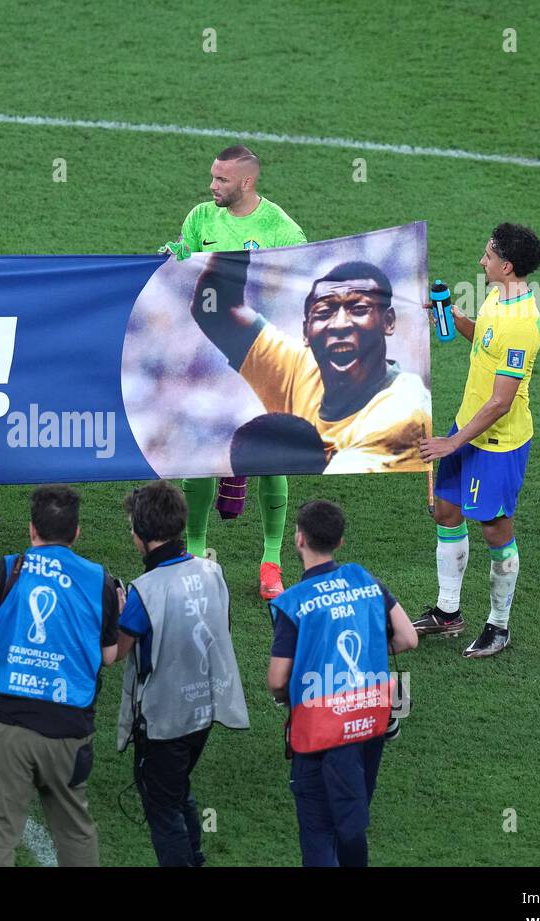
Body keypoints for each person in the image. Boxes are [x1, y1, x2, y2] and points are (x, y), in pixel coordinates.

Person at [159, 145, 307, 600]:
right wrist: (173, 256)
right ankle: (198, 551)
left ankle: (271, 562)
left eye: (221, 180)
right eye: (212, 177)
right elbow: (186, 268)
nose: (212, 186)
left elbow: (303, 287)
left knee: (270, 457)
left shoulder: (281, 230)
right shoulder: (201, 218)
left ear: (247, 182)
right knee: (202, 451)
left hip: (262, 355)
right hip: (206, 354)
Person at [0, 484, 123, 867]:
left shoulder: (10, 568)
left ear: (32, 529)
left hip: (7, 724)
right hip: (70, 728)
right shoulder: (99, 579)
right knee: (74, 831)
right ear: (77, 532)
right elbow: (109, 656)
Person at [414, 223, 540, 658]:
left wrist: (452, 444)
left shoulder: (523, 324)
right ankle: (448, 612)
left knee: (494, 529)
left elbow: (502, 402)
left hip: (497, 442)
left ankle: (499, 626)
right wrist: (451, 317)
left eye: (488, 255)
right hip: (467, 426)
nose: (481, 260)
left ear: (507, 265)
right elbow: (484, 340)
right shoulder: (498, 296)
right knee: (447, 511)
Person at [267, 500, 418, 867]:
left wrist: (288, 693)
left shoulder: (293, 602)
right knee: (351, 823)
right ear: (341, 541)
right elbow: (409, 638)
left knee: (318, 830)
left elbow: (276, 680)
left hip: (319, 728)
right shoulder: (365, 580)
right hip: (369, 721)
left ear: (299, 538)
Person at [190, 252, 432, 473]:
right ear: (306, 332)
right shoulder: (300, 369)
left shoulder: (405, 414)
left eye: (358, 309)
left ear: (388, 322)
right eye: (324, 313)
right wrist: (234, 235)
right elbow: (213, 308)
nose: (339, 324)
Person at [115, 480, 249, 866]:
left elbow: (115, 653)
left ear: (142, 535)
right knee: (177, 791)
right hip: (204, 710)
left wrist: (116, 611)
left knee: (162, 811)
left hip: (164, 719)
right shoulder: (213, 571)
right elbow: (223, 625)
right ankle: (197, 859)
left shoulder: (145, 590)